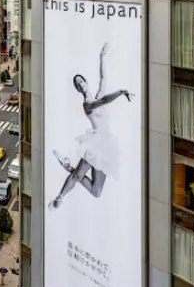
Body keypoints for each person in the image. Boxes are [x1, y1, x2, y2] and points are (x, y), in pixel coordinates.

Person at [50, 43, 134, 209]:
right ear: (78, 89)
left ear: (86, 82)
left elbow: (103, 79)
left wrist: (101, 57)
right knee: (78, 175)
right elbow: (103, 101)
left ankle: (68, 165)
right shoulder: (87, 104)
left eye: (81, 81)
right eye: (77, 84)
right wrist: (121, 92)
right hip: (97, 143)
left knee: (96, 192)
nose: (80, 84)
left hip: (107, 145)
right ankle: (59, 198)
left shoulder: (97, 95)